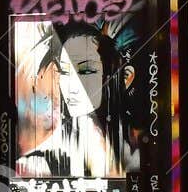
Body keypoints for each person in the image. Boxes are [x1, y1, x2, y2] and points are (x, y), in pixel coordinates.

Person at [16, 22, 136, 179]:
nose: (72, 87)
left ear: (124, 77)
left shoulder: (137, 151)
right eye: (65, 72)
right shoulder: (38, 163)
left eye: (86, 71)